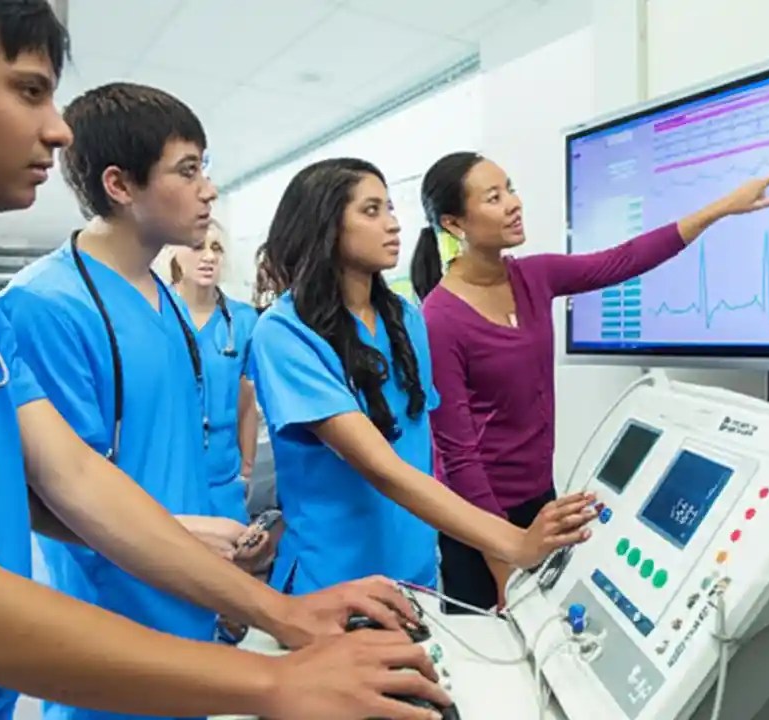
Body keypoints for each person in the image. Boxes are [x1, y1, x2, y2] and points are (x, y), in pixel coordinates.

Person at [0, 2, 446, 719]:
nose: (56, 128)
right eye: (28, 91)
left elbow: (77, 479)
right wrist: (275, 683)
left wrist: (281, 614)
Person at [0, 82, 282, 719]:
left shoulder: (167, 303)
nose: (208, 188)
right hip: (108, 627)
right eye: (187, 169)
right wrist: (183, 536)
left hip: (183, 606)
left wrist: (229, 544)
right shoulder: (45, 307)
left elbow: (178, 450)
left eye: (204, 166)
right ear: (120, 185)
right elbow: (50, 492)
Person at [409, 151, 769, 612]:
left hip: (540, 503)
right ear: (455, 225)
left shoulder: (532, 275)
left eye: (511, 188)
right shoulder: (439, 318)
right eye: (495, 197)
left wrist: (719, 209)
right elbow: (458, 454)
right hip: (478, 525)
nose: (514, 203)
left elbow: (622, 261)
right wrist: (503, 560)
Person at [248, 157, 597, 597]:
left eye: (391, 208)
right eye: (371, 211)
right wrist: (512, 543)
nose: (393, 224)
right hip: (336, 585)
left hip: (417, 579)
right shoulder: (285, 333)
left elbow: (435, 448)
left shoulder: (405, 320)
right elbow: (382, 467)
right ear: (326, 225)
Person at [166, 221, 260, 525]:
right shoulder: (153, 313)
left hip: (224, 479)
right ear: (173, 254)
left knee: (232, 564)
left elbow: (247, 400)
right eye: (198, 247)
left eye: (216, 248)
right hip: (169, 477)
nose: (208, 256)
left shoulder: (243, 320)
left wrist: (246, 469)